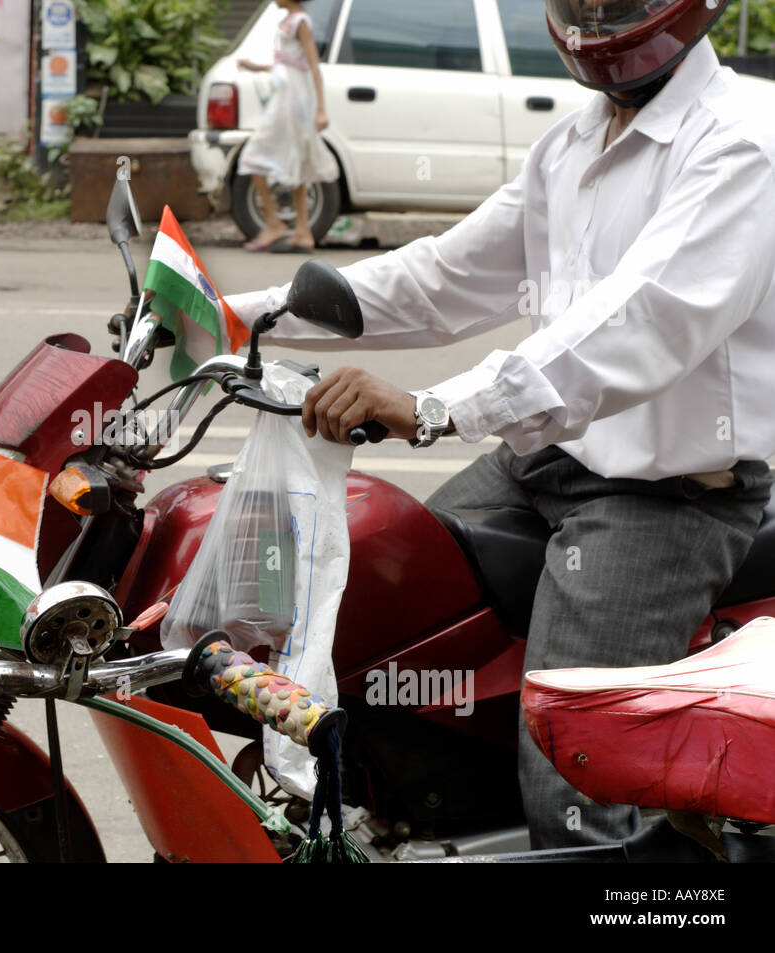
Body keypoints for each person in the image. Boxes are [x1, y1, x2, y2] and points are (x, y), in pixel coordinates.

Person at [224, 0, 775, 850]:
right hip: (544, 463)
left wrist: (436, 406)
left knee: (572, 776)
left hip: (661, 500)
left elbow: (642, 320)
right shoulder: (576, 143)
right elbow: (446, 275)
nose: (598, 16)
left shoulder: (742, 138)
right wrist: (241, 315)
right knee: (390, 624)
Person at [235, 0, 339, 253]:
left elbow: (313, 66)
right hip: (283, 100)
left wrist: (321, 109)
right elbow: (290, 63)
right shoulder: (288, 21)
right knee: (295, 163)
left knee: (253, 156)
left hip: (292, 104)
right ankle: (302, 231)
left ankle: (274, 222)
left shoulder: (301, 22)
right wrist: (256, 66)